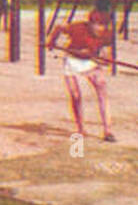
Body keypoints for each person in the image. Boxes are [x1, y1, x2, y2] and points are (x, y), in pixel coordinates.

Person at [46, 10, 116, 142]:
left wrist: (103, 59)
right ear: (90, 24)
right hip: (72, 61)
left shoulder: (107, 35)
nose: (100, 29)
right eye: (97, 25)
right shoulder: (77, 28)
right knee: (76, 95)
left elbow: (106, 56)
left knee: (101, 88)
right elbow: (59, 27)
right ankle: (80, 128)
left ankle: (108, 130)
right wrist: (52, 41)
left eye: (103, 25)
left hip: (90, 62)